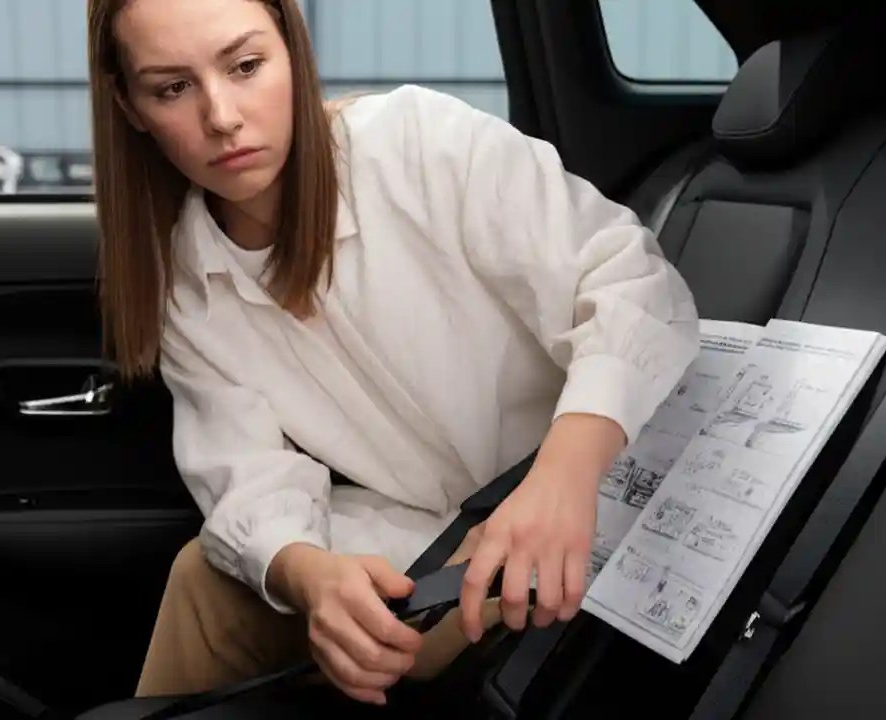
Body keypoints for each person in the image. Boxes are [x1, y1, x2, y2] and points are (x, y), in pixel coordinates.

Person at [86, 0, 700, 708]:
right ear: (131, 107)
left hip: (599, 493)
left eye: (246, 66)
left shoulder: (419, 144)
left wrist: (564, 473)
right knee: (207, 574)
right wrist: (311, 576)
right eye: (172, 88)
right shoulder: (186, 279)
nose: (221, 115)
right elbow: (246, 471)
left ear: (294, 50)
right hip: (438, 532)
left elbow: (630, 283)